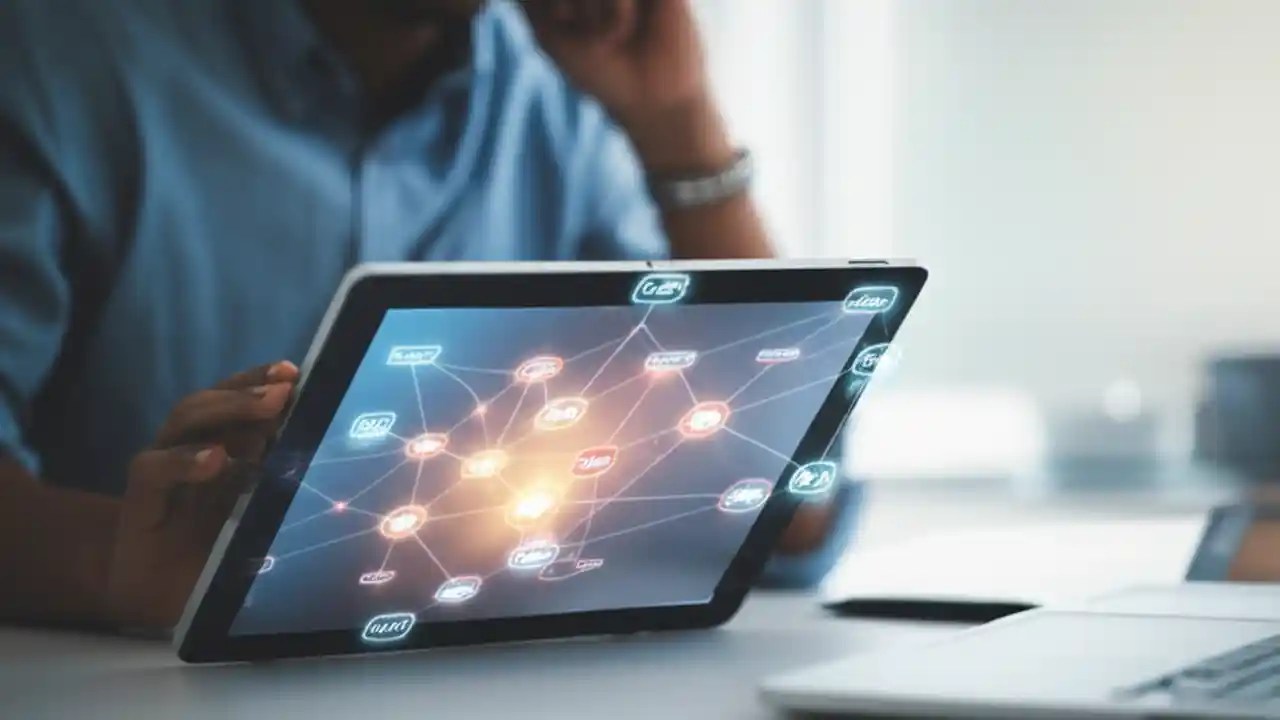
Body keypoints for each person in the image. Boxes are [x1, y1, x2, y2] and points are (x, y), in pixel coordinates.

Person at [0, 0, 843, 630]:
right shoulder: (51, 57)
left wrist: (680, 126)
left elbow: (791, 507)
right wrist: (131, 568)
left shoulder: (564, 84)